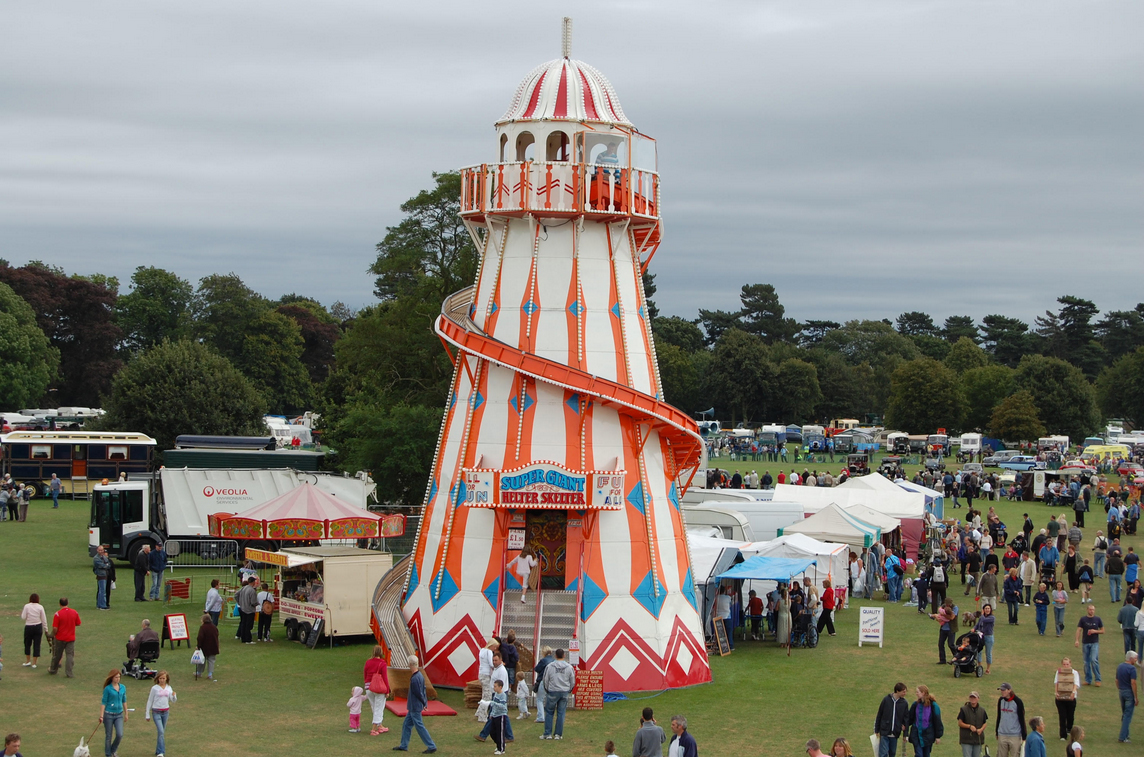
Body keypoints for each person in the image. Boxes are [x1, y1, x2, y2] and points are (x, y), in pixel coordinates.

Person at [392, 655, 436, 753]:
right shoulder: (420, 676)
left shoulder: (415, 678)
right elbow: (423, 691)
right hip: (413, 707)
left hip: (414, 707)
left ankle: (431, 745)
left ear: (410, 664)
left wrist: (424, 703)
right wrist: (424, 703)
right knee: (406, 725)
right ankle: (404, 745)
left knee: (419, 726)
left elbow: (418, 693)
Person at [476, 652, 512, 743]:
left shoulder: (502, 671)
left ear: (500, 660)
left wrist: (497, 696)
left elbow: (501, 685)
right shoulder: (497, 669)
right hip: (496, 694)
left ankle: (483, 735)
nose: (494, 662)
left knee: (493, 715)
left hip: (499, 695)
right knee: (500, 715)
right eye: (493, 660)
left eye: (496, 660)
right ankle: (509, 736)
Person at [540, 648, 575, 740]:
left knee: (549, 712)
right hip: (564, 691)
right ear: (564, 655)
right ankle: (558, 734)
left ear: (555, 656)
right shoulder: (569, 667)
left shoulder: (550, 666)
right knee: (561, 713)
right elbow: (572, 680)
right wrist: (569, 689)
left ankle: (547, 733)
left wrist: (547, 689)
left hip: (552, 690)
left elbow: (545, 679)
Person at [145, 669, 176, 756]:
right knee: (161, 731)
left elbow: (173, 700)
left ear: (166, 679)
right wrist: (147, 714)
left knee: (161, 732)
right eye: (160, 678)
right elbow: (150, 700)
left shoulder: (169, 688)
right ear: (158, 679)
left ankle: (158, 751)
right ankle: (161, 752)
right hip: (156, 712)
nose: (162, 680)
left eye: (163, 678)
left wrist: (174, 696)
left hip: (165, 712)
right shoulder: (154, 688)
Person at [906, 684, 944, 757]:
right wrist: (904, 725)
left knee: (926, 754)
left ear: (923, 693)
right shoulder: (915, 705)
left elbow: (937, 721)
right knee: (919, 754)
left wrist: (938, 736)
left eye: (918, 692)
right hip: (916, 734)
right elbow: (910, 718)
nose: (916, 694)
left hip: (928, 735)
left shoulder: (933, 706)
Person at [874, 682, 909, 757]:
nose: (905, 693)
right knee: (883, 754)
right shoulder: (886, 700)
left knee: (892, 753)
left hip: (895, 733)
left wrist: (905, 734)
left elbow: (906, 719)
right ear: (897, 691)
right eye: (903, 692)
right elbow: (880, 714)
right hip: (884, 732)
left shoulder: (904, 703)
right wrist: (876, 729)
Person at [48, 597, 80, 677]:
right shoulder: (74, 612)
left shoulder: (58, 614)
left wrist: (52, 635)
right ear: (67, 603)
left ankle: (53, 670)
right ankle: (69, 673)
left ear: (60, 604)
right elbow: (78, 623)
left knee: (57, 655)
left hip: (60, 638)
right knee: (69, 655)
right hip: (71, 638)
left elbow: (55, 628)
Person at [99, 669, 129, 757]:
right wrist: (101, 716)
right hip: (108, 714)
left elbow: (124, 700)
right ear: (112, 678)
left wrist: (126, 713)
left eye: (119, 677)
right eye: (116, 677)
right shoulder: (108, 689)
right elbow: (103, 702)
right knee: (109, 736)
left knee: (120, 734)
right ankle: (108, 754)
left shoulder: (123, 687)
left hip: (119, 714)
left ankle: (113, 750)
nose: (118, 679)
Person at [1074, 603, 1105, 686]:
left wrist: (1095, 631)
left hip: (1094, 643)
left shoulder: (1097, 619)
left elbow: (1103, 630)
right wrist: (1077, 640)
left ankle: (1098, 679)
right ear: (1087, 610)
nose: (1092, 611)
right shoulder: (1083, 619)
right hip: (1085, 643)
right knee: (1086, 662)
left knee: (1094, 660)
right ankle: (1088, 679)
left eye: (1093, 610)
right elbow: (1079, 630)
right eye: (1090, 609)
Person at [362, 644, 390, 735]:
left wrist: (366, 684)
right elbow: (385, 677)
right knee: (379, 707)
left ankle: (380, 725)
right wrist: (387, 690)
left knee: (374, 707)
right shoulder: (382, 663)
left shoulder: (368, 662)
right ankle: (374, 729)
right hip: (378, 688)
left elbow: (365, 674)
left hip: (368, 687)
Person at [994, 683, 1026, 757]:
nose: (1002, 692)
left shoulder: (1018, 702)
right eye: (1001, 690)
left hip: (1015, 735)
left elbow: (1021, 719)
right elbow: (999, 716)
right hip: (1002, 734)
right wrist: (997, 732)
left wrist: (1024, 735)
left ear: (1009, 690)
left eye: (1004, 690)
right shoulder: (1001, 700)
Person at [1053, 657, 1080, 741]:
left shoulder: (1074, 673)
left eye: (1067, 664)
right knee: (1062, 716)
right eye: (1064, 664)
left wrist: (1073, 692)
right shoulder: (1059, 672)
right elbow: (1056, 683)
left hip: (1071, 698)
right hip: (1061, 698)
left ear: (1070, 664)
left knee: (1070, 716)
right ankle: (1063, 735)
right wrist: (1056, 692)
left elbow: (1076, 683)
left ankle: (1069, 729)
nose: (1066, 666)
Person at [956, 691, 988, 757]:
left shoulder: (982, 710)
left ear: (978, 698)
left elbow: (985, 723)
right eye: (971, 697)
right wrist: (969, 726)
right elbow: (960, 723)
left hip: (978, 739)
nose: (973, 699)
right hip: (966, 739)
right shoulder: (964, 709)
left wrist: (981, 729)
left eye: (974, 697)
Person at [19, 593, 46, 668]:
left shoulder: (27, 606)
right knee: (37, 644)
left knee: (27, 644)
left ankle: (28, 661)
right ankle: (34, 663)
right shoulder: (40, 607)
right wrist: (46, 629)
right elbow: (43, 618)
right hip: (38, 626)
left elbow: (23, 617)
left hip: (29, 626)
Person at [1117, 651, 1139, 743]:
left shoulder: (1120, 666)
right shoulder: (1132, 669)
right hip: (1129, 693)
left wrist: (1120, 689)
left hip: (1121, 691)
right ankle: (1122, 737)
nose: (1136, 660)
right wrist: (1135, 697)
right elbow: (1133, 682)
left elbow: (1116, 680)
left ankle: (1126, 734)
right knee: (1127, 716)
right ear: (1131, 658)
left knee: (1124, 714)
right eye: (1135, 658)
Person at [930, 598, 957, 664]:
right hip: (943, 628)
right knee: (940, 644)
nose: (947, 605)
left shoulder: (955, 608)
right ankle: (942, 660)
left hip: (951, 629)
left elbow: (952, 618)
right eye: (946, 604)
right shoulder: (943, 606)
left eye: (948, 604)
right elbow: (939, 610)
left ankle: (957, 657)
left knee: (951, 644)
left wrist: (943, 614)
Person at [194, 613, 219, 681]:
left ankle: (199, 672)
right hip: (213, 646)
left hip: (204, 647)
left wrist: (198, 646)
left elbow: (200, 637)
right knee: (211, 660)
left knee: (202, 660)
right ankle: (210, 674)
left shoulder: (203, 628)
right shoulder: (214, 627)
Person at [533, 646, 554, 724]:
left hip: (543, 681)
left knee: (540, 699)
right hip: (552, 682)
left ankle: (541, 717)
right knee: (549, 700)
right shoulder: (554, 661)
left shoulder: (543, 661)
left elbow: (537, 669)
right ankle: (549, 716)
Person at [235, 576, 257, 644]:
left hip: (243, 608)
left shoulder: (243, 588)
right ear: (253, 582)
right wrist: (257, 604)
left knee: (243, 623)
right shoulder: (252, 590)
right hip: (250, 610)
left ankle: (243, 638)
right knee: (248, 625)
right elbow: (253, 602)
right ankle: (248, 639)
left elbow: (236, 595)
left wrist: (239, 602)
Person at [488, 679, 509, 755]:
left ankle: (501, 749)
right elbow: (494, 706)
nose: (494, 688)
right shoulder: (495, 694)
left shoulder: (503, 695)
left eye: (495, 686)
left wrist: (493, 703)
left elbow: (503, 706)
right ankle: (499, 744)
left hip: (501, 716)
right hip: (494, 715)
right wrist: (491, 714)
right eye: (494, 686)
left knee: (500, 733)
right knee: (492, 732)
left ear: (500, 687)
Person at [974, 604, 995, 674]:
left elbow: (984, 620)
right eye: (986, 608)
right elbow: (978, 624)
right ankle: (979, 667)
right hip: (981, 636)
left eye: (988, 608)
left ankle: (988, 669)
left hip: (989, 637)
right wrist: (974, 629)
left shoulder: (992, 617)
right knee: (979, 652)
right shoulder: (982, 617)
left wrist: (982, 614)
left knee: (988, 653)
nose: (987, 610)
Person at [714, 585, 734, 650]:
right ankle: (730, 645)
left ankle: (719, 645)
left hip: (718, 616)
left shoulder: (716, 598)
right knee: (728, 632)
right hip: (727, 616)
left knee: (720, 633)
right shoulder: (728, 597)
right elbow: (731, 604)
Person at [93, 546, 113, 610]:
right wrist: (105, 565)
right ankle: (102, 605)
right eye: (100, 550)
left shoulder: (104, 557)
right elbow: (102, 566)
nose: (101, 551)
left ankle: (99, 605)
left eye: (102, 550)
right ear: (97, 550)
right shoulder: (96, 558)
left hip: (105, 575)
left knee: (101, 591)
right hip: (101, 575)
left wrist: (106, 565)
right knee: (102, 591)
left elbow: (109, 564)